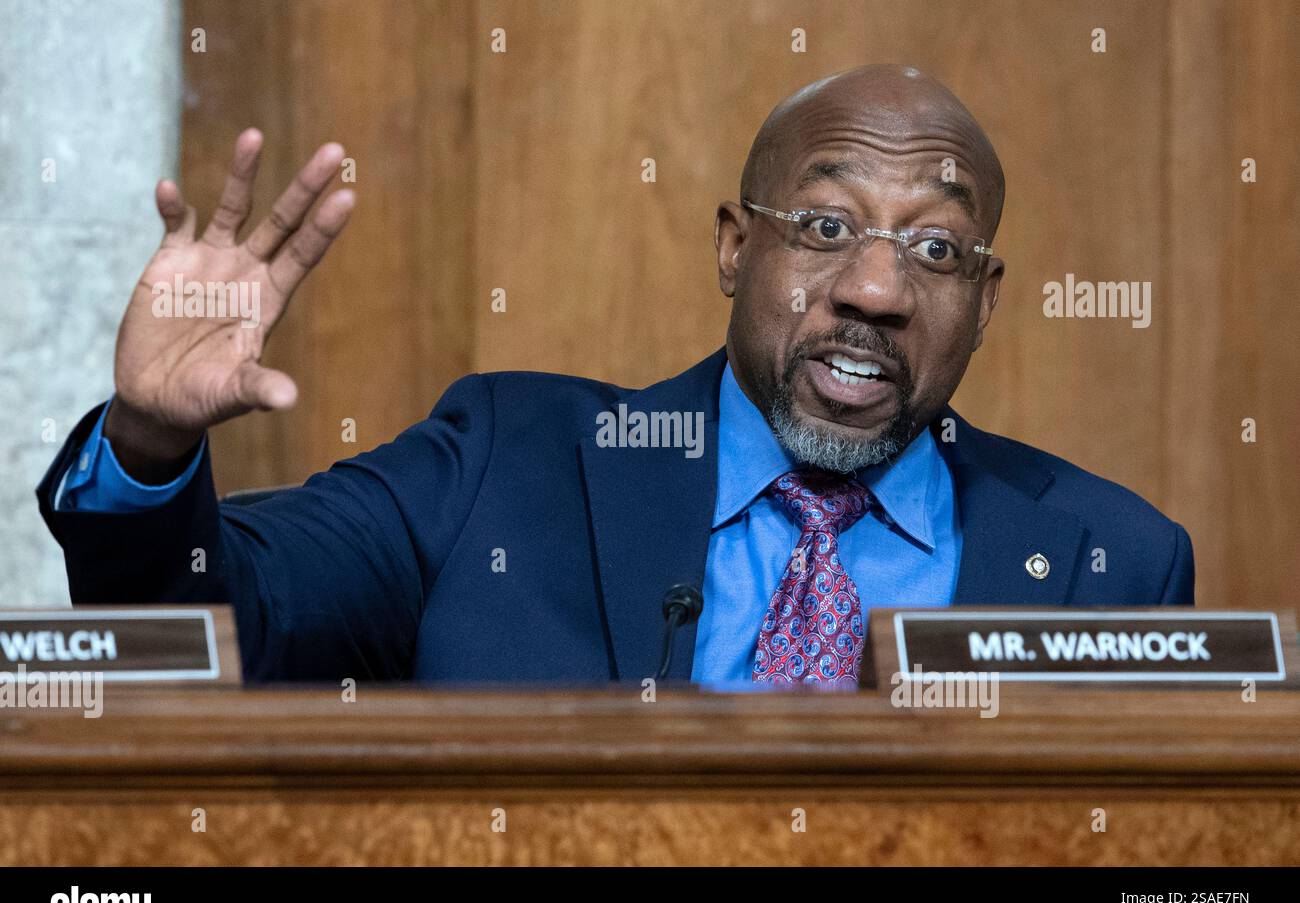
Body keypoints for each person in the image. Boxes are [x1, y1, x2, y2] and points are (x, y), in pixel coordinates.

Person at [37, 65, 1194, 687]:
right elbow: (213, 634)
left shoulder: (1115, 564)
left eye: (936, 249)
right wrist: (151, 444)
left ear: (984, 302)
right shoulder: (502, 464)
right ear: (735, 248)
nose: (877, 289)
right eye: (826, 226)